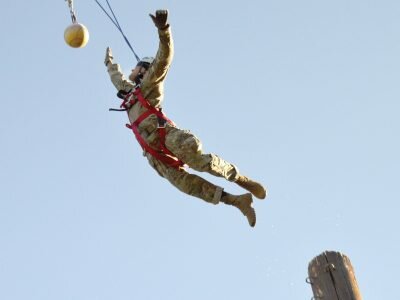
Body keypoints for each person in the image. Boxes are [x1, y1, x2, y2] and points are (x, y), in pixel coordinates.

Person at [104, 10, 267, 227]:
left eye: (134, 68)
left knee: (199, 161)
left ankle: (241, 179)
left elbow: (164, 60)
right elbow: (118, 81)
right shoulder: (130, 95)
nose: (130, 71)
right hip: (153, 152)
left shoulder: (150, 85)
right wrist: (109, 64)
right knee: (186, 185)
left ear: (143, 70)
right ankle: (238, 201)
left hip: (168, 137)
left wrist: (164, 31)